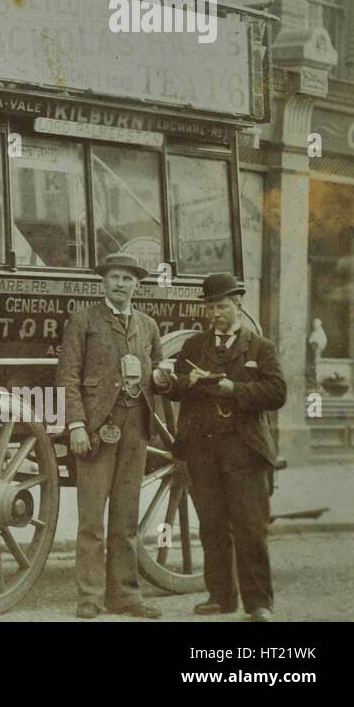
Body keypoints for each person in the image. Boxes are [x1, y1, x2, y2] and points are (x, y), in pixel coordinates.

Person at [154, 273, 286, 622]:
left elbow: (277, 393)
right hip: (203, 449)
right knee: (211, 524)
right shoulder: (195, 347)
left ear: (238, 304)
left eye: (222, 306)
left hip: (245, 452)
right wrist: (183, 381)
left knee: (250, 528)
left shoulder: (260, 347)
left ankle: (258, 603)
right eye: (210, 307)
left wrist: (235, 390)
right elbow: (175, 388)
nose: (215, 314)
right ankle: (220, 596)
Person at [56, 252, 166, 619]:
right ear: (103, 282)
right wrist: (75, 425)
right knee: (91, 521)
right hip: (96, 430)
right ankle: (89, 597)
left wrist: (155, 375)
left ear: (137, 285)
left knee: (126, 518)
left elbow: (162, 372)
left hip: (136, 426)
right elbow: (68, 377)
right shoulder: (84, 320)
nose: (121, 284)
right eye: (115, 277)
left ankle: (126, 597)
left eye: (128, 279)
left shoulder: (148, 325)